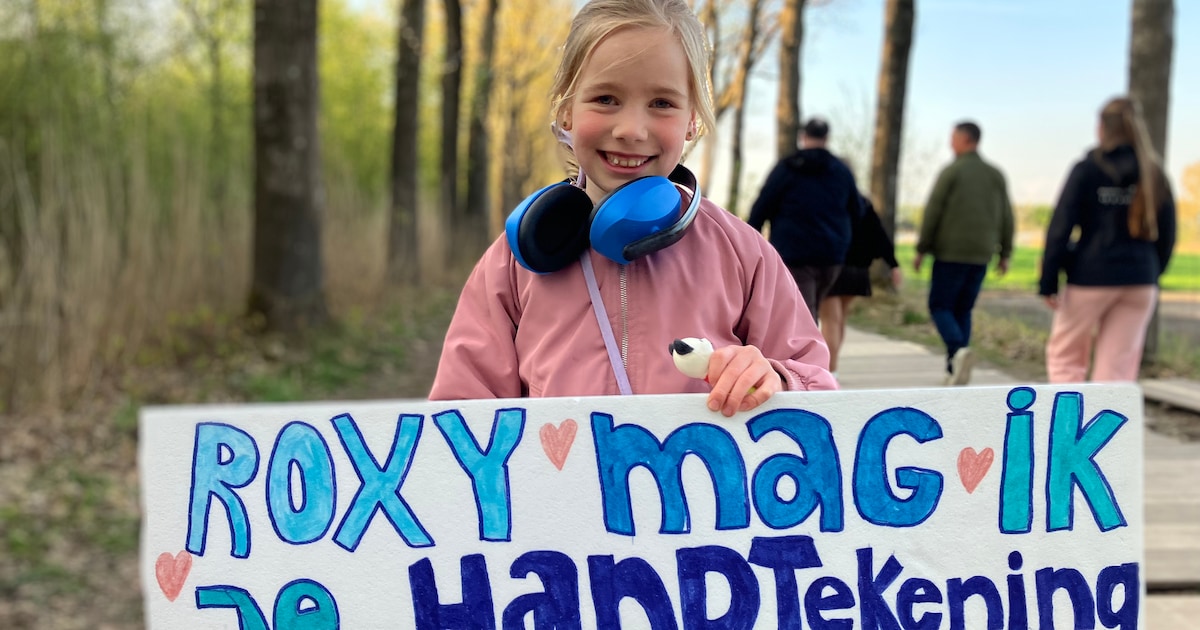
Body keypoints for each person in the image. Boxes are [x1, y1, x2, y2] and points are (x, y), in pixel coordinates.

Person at [428, 0, 837, 415]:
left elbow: (819, 386)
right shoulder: (513, 264)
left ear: (692, 118)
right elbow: (458, 419)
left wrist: (775, 378)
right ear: (566, 109)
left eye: (662, 103)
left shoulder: (741, 252)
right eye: (606, 98)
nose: (630, 130)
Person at [1038, 96, 1176, 383]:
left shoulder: (1088, 169)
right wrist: (1149, 271)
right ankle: (1110, 427)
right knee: (1117, 371)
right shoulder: (1154, 173)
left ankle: (1068, 427)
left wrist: (1049, 280)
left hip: (1091, 277)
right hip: (1140, 280)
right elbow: (1168, 235)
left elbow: (1060, 227)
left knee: (1066, 359)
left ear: (1101, 128)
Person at [914, 120, 1014, 386]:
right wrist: (1006, 251)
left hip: (951, 252)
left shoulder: (952, 171)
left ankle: (958, 351)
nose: (951, 143)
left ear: (966, 140)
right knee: (963, 309)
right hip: (982, 253)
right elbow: (1006, 214)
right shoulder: (995, 174)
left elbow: (934, 210)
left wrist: (922, 248)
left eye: (954, 137)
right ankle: (954, 368)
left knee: (940, 305)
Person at [747, 117, 865, 323]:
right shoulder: (841, 171)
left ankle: (806, 352)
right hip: (832, 256)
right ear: (826, 138)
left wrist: (748, 244)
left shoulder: (787, 168)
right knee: (809, 312)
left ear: (803, 136)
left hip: (794, 254)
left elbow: (762, 206)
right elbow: (857, 211)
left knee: (802, 317)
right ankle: (808, 348)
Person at [819, 194, 902, 377]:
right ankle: (834, 367)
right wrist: (893, 263)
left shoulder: (827, 200)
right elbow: (879, 234)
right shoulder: (863, 203)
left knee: (830, 320)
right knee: (840, 319)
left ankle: (829, 370)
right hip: (858, 270)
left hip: (834, 266)